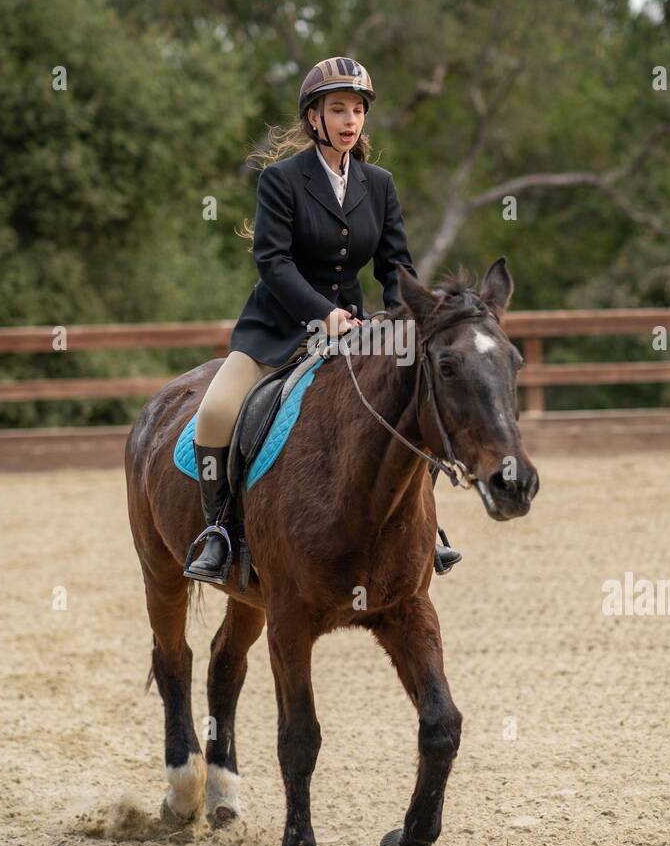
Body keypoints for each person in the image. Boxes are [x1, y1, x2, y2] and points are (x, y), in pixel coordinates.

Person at [184, 55, 462, 584]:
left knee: (415, 396)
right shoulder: (281, 181)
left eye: (357, 109)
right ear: (315, 118)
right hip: (278, 328)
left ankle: (428, 530)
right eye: (339, 109)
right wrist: (322, 314)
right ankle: (220, 531)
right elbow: (273, 262)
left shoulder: (379, 184)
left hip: (355, 331)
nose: (350, 120)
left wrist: (413, 319)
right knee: (216, 413)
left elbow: (395, 266)